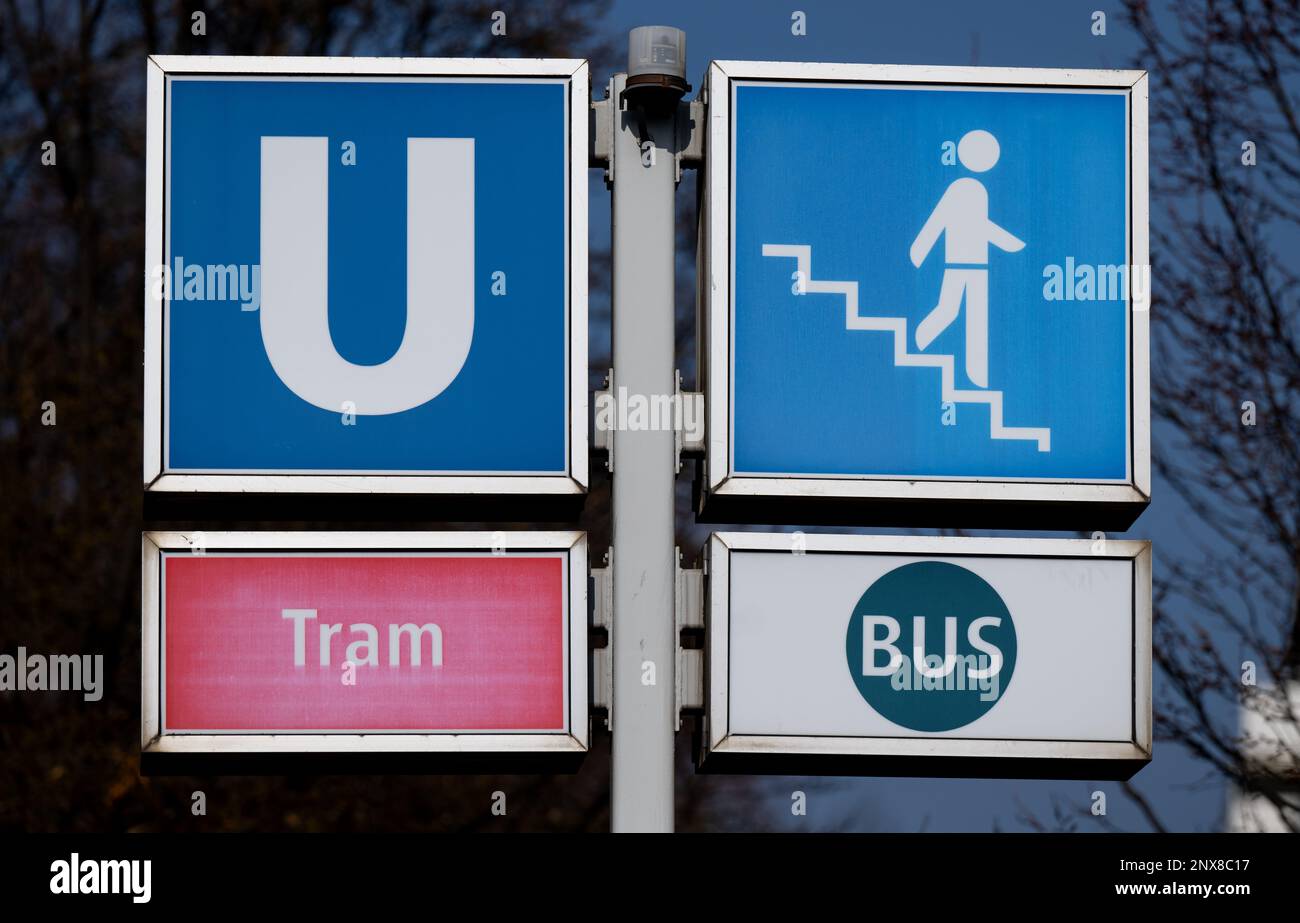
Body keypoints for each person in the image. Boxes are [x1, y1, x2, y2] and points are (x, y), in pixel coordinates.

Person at [909, 129, 1024, 389]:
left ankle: (977, 376)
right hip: (959, 264)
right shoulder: (962, 189)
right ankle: (919, 338)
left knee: (977, 321)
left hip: (978, 267)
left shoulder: (978, 190)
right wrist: (920, 250)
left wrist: (1006, 242)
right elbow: (941, 220)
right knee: (949, 311)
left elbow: (981, 226)